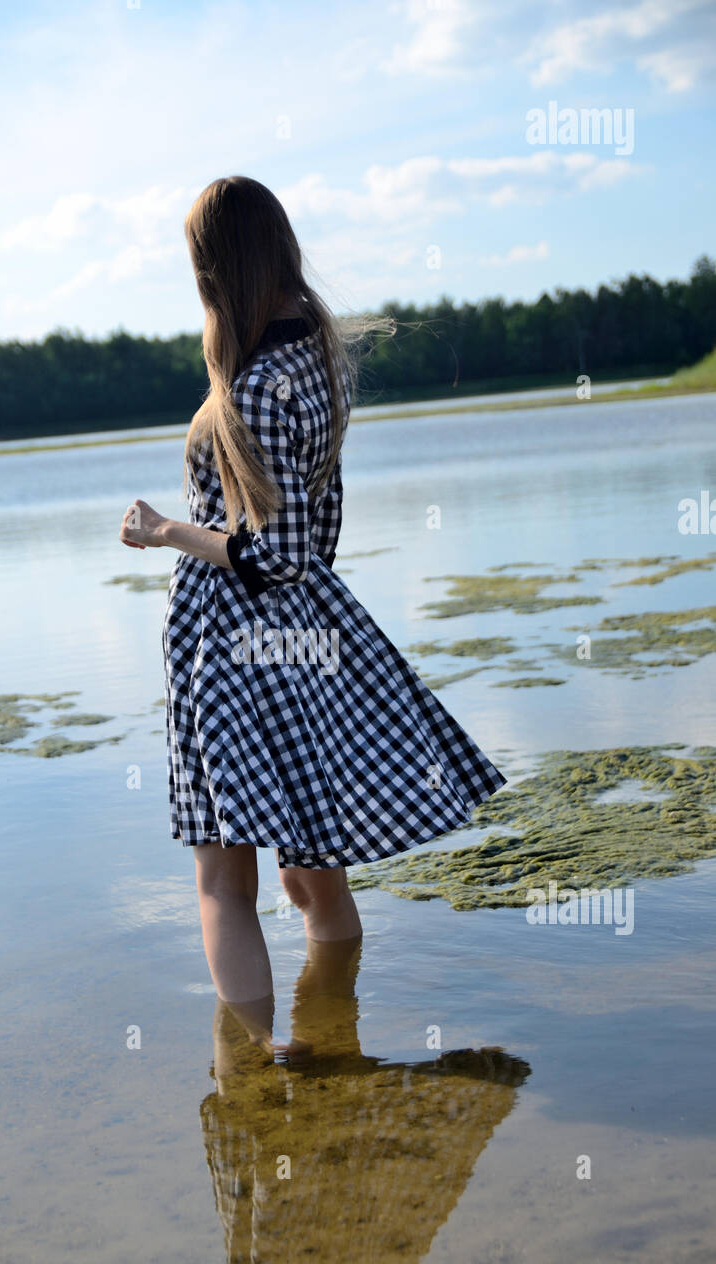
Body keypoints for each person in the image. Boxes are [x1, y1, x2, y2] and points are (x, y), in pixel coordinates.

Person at [119, 176, 506, 1032]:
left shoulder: (253, 384)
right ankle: (333, 1050)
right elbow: (313, 537)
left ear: (213, 271)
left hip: (231, 639)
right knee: (311, 868)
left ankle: (251, 1083)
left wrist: (165, 531)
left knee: (225, 883)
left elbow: (280, 553)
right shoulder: (314, 358)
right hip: (303, 635)